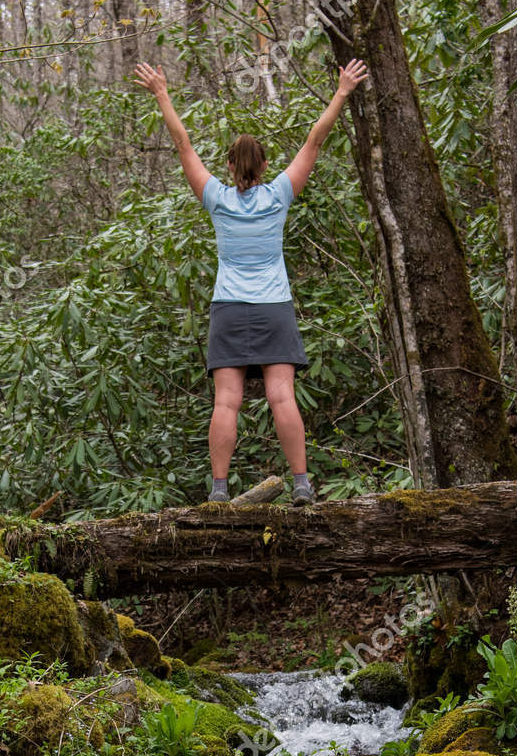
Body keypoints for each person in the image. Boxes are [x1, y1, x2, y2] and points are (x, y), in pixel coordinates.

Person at [134, 57, 369, 505]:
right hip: (273, 306)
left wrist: (162, 95)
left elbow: (183, 146)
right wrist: (341, 91)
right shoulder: (279, 194)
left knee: (227, 402)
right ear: (263, 166)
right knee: (282, 397)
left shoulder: (217, 200)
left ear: (228, 165)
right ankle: (301, 484)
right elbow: (314, 142)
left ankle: (220, 490)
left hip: (229, 308)